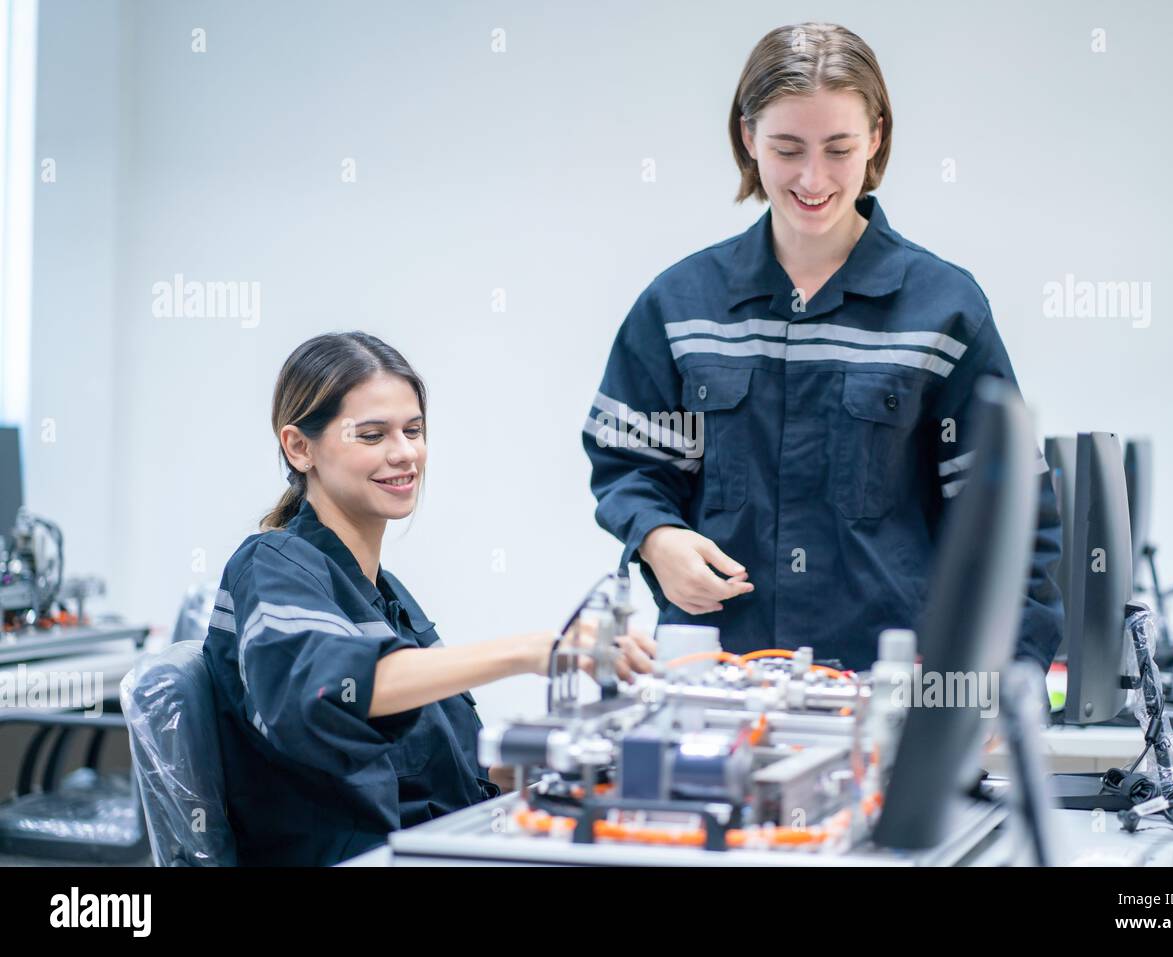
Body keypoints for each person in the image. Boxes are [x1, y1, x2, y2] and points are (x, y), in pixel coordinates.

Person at [583, 22, 1063, 673]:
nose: (813, 178)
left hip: (887, 693)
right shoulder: (681, 305)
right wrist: (658, 538)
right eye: (787, 148)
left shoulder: (942, 310)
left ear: (877, 137)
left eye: (838, 148)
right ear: (748, 137)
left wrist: (1004, 683)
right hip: (717, 687)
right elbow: (628, 461)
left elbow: (1010, 517)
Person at [204, 332, 653, 865]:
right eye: (371, 435)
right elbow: (322, 692)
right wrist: (534, 651)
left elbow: (435, 766)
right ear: (300, 447)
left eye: (413, 431)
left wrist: (558, 765)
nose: (404, 453)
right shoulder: (271, 564)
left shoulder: (384, 597)